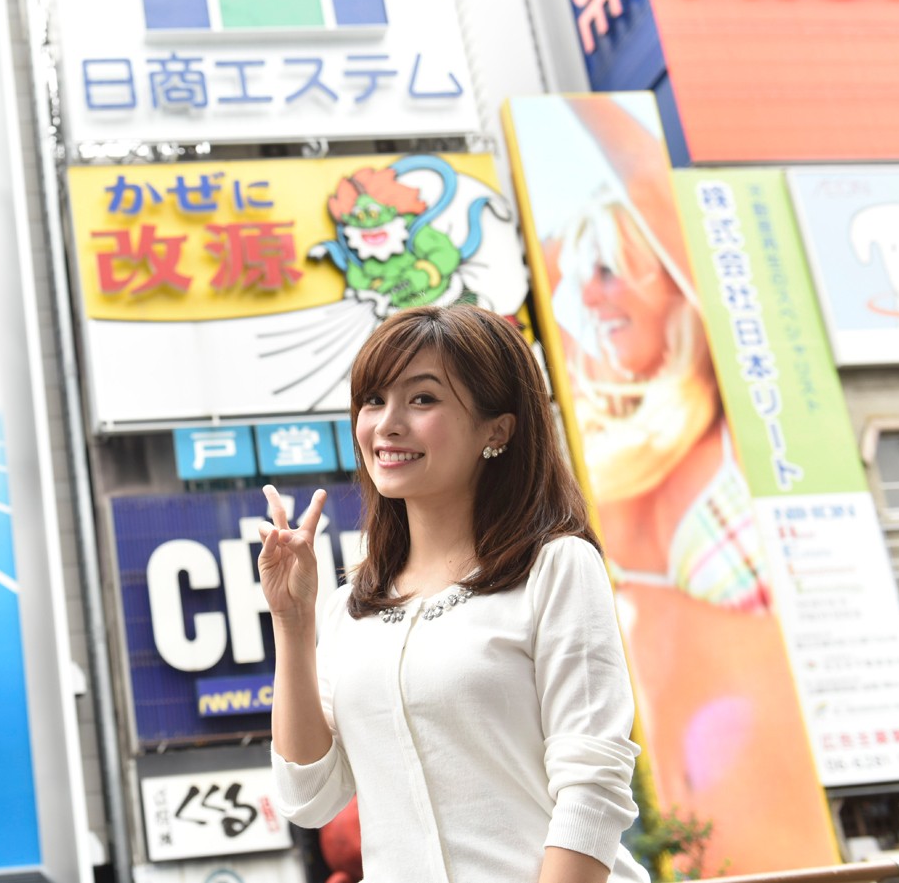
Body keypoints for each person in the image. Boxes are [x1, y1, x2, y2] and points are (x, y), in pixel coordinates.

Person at [539, 99, 834, 870]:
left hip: (793, 824)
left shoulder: (728, 429)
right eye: (579, 277)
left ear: (673, 284)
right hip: (669, 833)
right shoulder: (597, 454)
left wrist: (578, 90)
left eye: (610, 269)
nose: (589, 295)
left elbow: (644, 175)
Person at [262, 304, 648, 883]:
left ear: (498, 429)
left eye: (422, 399)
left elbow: (592, 787)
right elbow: (308, 797)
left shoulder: (554, 568)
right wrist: (293, 626)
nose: (387, 425)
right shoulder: (351, 607)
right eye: (373, 399)